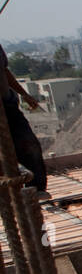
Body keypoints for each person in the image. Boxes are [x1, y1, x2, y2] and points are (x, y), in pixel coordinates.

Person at [0, 41, 48, 197]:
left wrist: (24, 94)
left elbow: (4, 71)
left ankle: (36, 190)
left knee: (29, 146)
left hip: (8, 107)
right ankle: (7, 198)